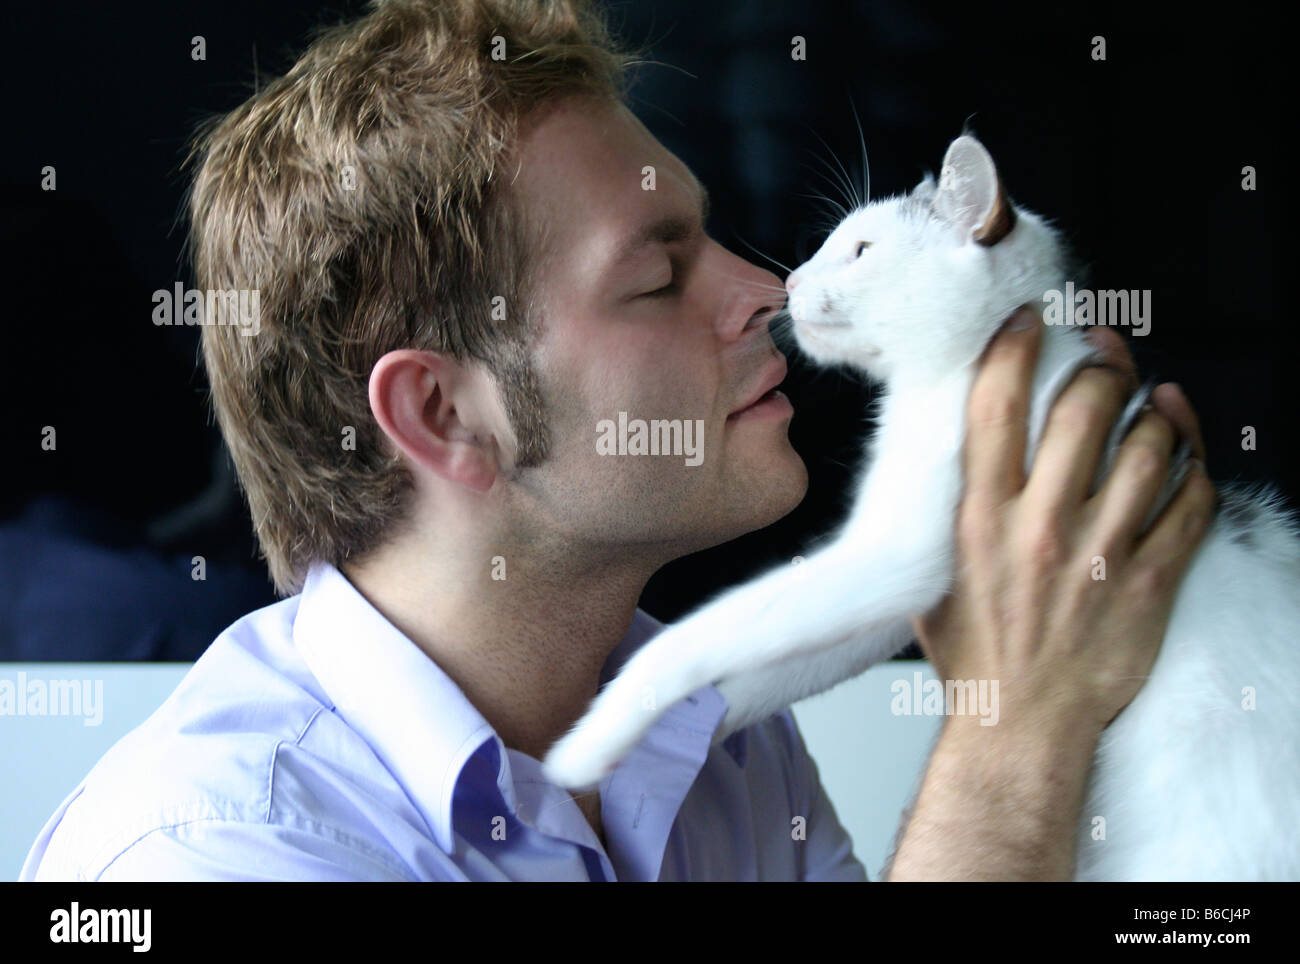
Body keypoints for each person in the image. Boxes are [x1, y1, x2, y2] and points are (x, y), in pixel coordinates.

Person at [20, 0, 1213, 881]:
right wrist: (1012, 739)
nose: (766, 291)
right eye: (659, 276)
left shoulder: (721, 753)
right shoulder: (223, 852)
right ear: (444, 414)